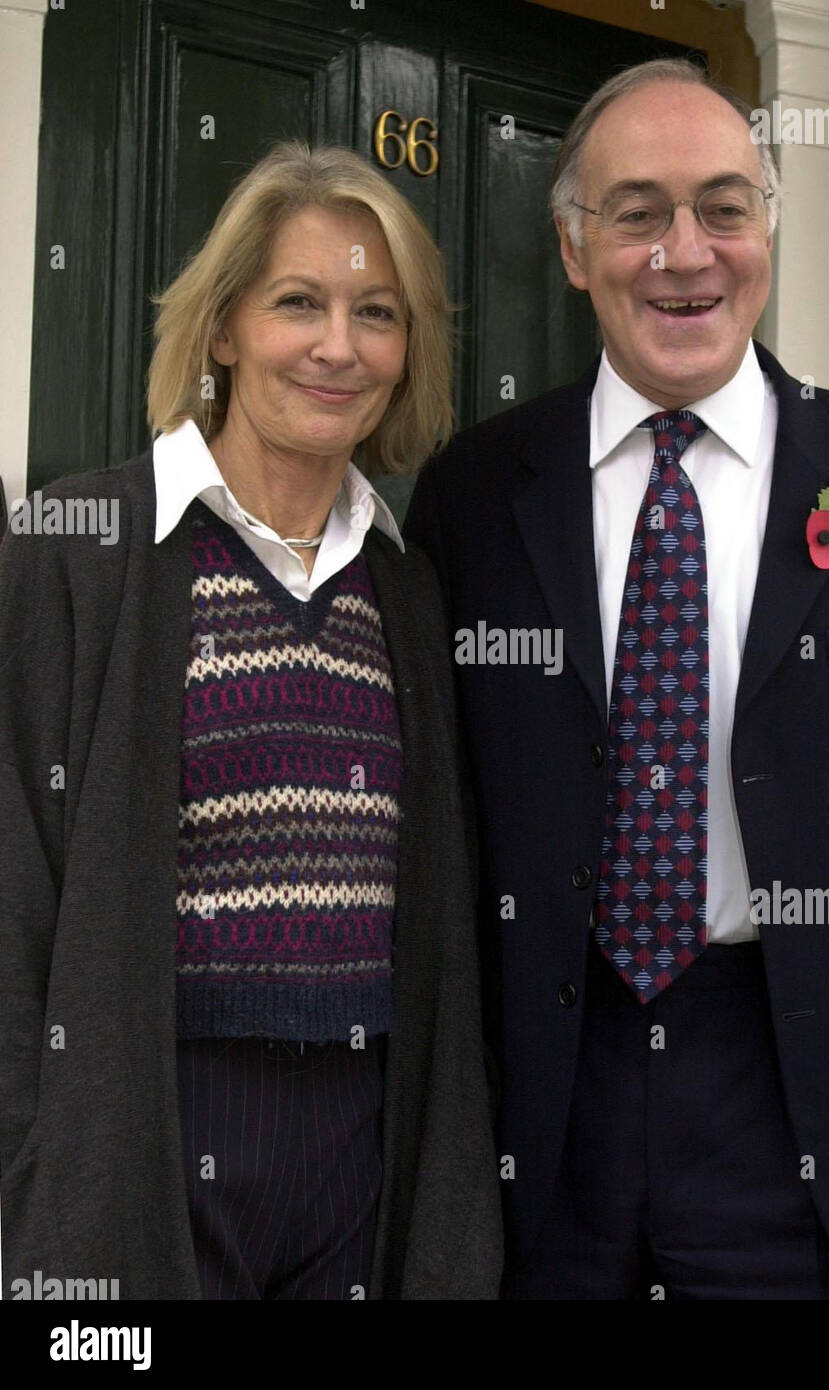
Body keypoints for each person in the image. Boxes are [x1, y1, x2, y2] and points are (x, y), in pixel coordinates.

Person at [404, 59, 829, 1300]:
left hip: (805, 1095)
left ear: (766, 229)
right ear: (574, 250)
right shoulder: (471, 495)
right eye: (638, 213)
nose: (686, 253)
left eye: (724, 207)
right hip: (549, 1096)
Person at [0, 141, 501, 1300]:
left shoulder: (406, 587)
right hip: (147, 1136)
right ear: (224, 327)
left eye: (376, 313)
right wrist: (30, 1173)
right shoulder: (78, 548)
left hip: (360, 1155)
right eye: (298, 303)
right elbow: (13, 883)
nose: (339, 347)